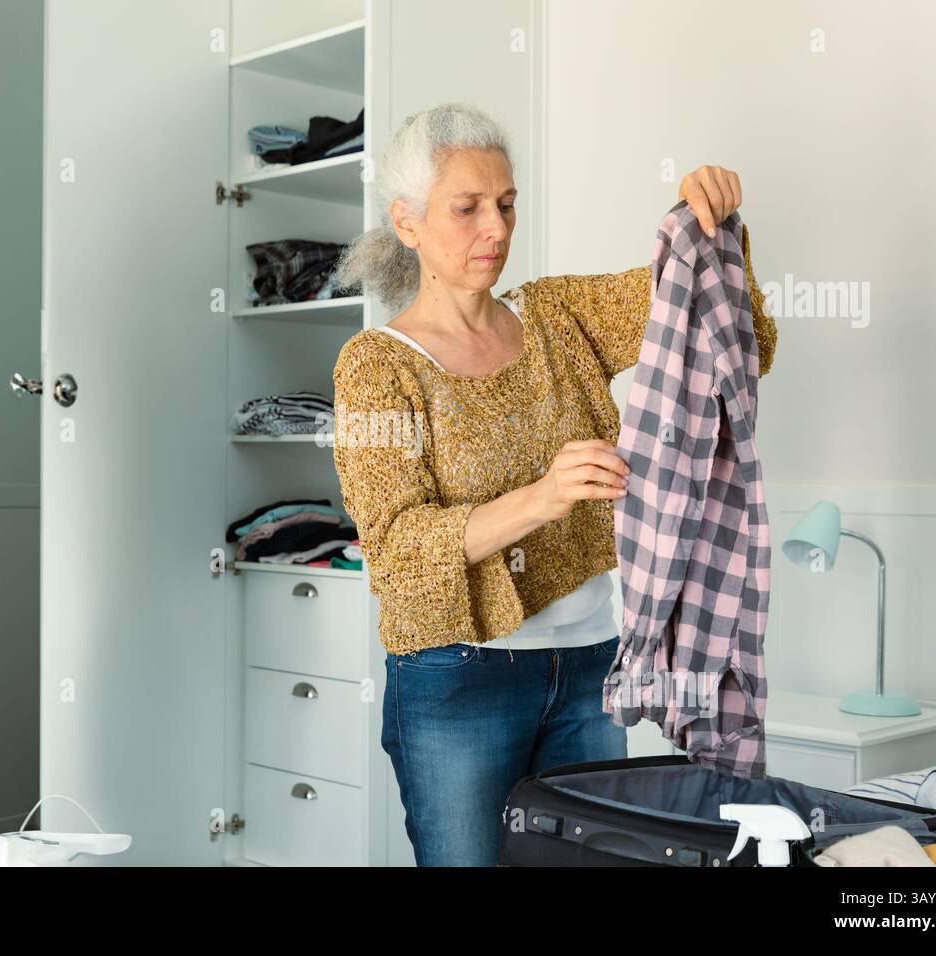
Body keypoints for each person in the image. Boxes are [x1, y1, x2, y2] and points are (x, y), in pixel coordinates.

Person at [330, 101, 777, 866]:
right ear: (407, 224)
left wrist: (712, 221)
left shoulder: (558, 315)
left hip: (591, 668)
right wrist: (547, 493)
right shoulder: (378, 367)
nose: (496, 230)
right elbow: (398, 551)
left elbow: (726, 325)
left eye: (505, 204)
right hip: (456, 680)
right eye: (466, 208)